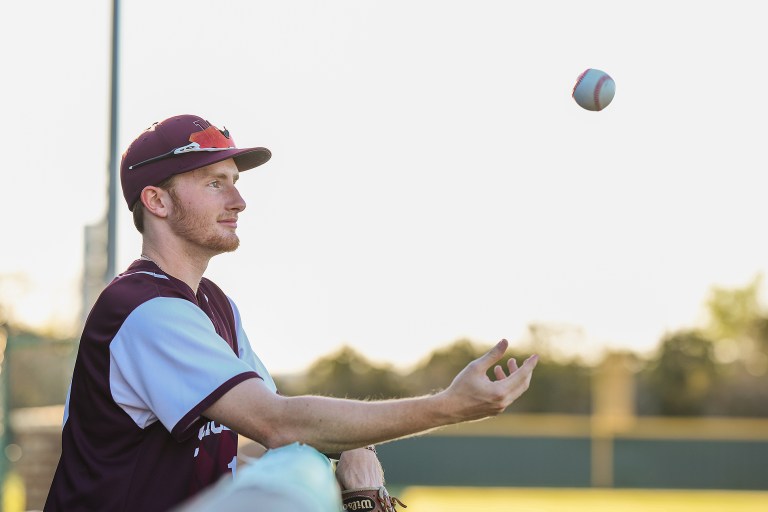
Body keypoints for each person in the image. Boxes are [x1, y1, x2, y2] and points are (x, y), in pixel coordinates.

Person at [44, 114, 539, 512]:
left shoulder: (213, 303)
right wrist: (448, 406)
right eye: (215, 183)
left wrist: (349, 444)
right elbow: (277, 423)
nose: (239, 200)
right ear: (156, 200)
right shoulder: (145, 309)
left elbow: (271, 425)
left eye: (235, 182)